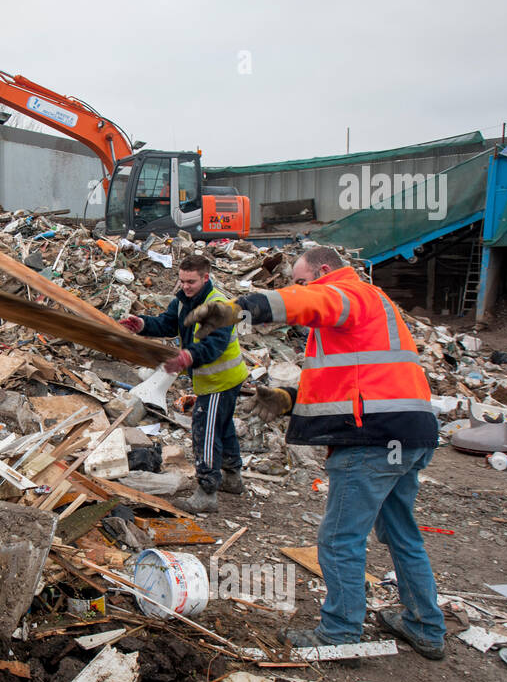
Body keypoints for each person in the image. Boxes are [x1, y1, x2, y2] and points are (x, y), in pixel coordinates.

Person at [185, 246, 445, 659]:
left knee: (341, 538)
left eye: (301, 281)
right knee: (401, 533)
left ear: (324, 272)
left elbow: (311, 300)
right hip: (410, 433)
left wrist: (241, 308)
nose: (297, 289)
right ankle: (425, 625)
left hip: (372, 439)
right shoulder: (370, 312)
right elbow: (353, 383)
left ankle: (340, 631)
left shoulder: (346, 292)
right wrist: (290, 398)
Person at [118, 254, 249, 513]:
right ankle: (233, 478)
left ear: (206, 278)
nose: (186, 286)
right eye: (182, 281)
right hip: (215, 378)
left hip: (220, 380)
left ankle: (207, 492)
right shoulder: (182, 301)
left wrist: (187, 356)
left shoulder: (219, 306)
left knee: (205, 431)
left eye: (191, 281)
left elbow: (214, 346)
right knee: (221, 427)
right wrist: (142, 324)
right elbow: (168, 324)